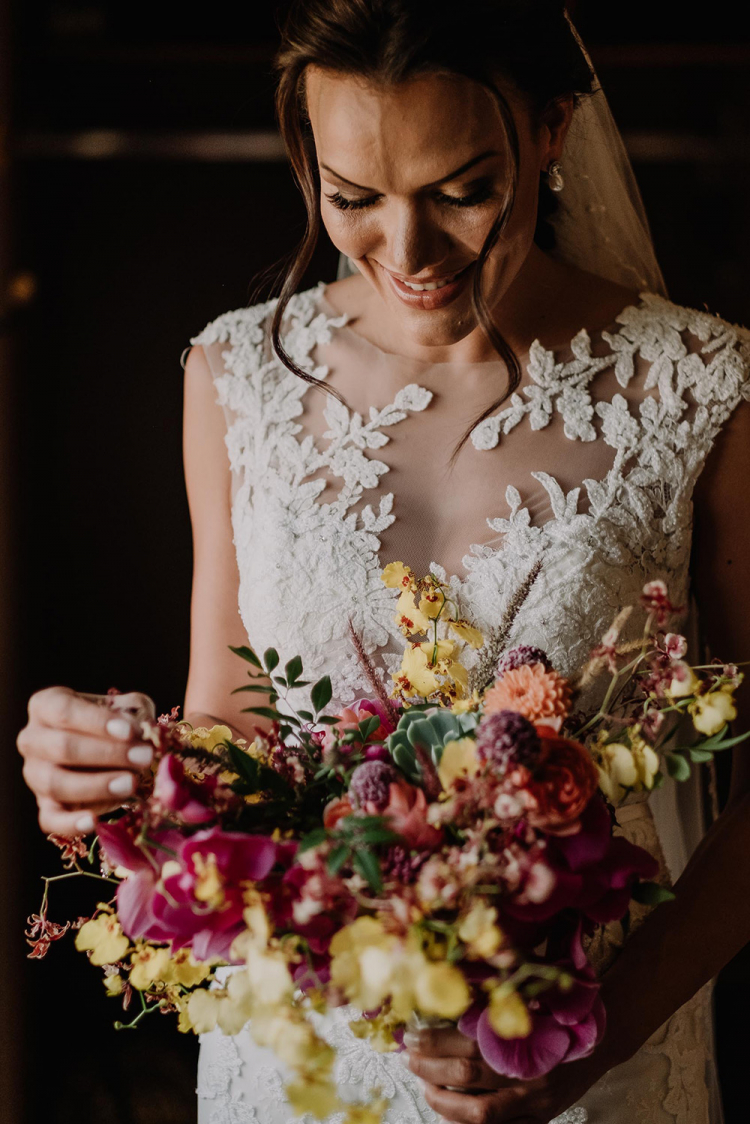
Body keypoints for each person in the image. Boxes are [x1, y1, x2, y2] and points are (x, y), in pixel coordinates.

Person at [16, 2, 750, 1121]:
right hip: (303, 1058)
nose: (408, 253)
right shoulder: (233, 379)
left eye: (461, 191)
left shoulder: (703, 383)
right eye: (353, 198)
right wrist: (116, 765)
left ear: (552, 130)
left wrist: (594, 1036)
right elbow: (237, 732)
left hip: (598, 1056)